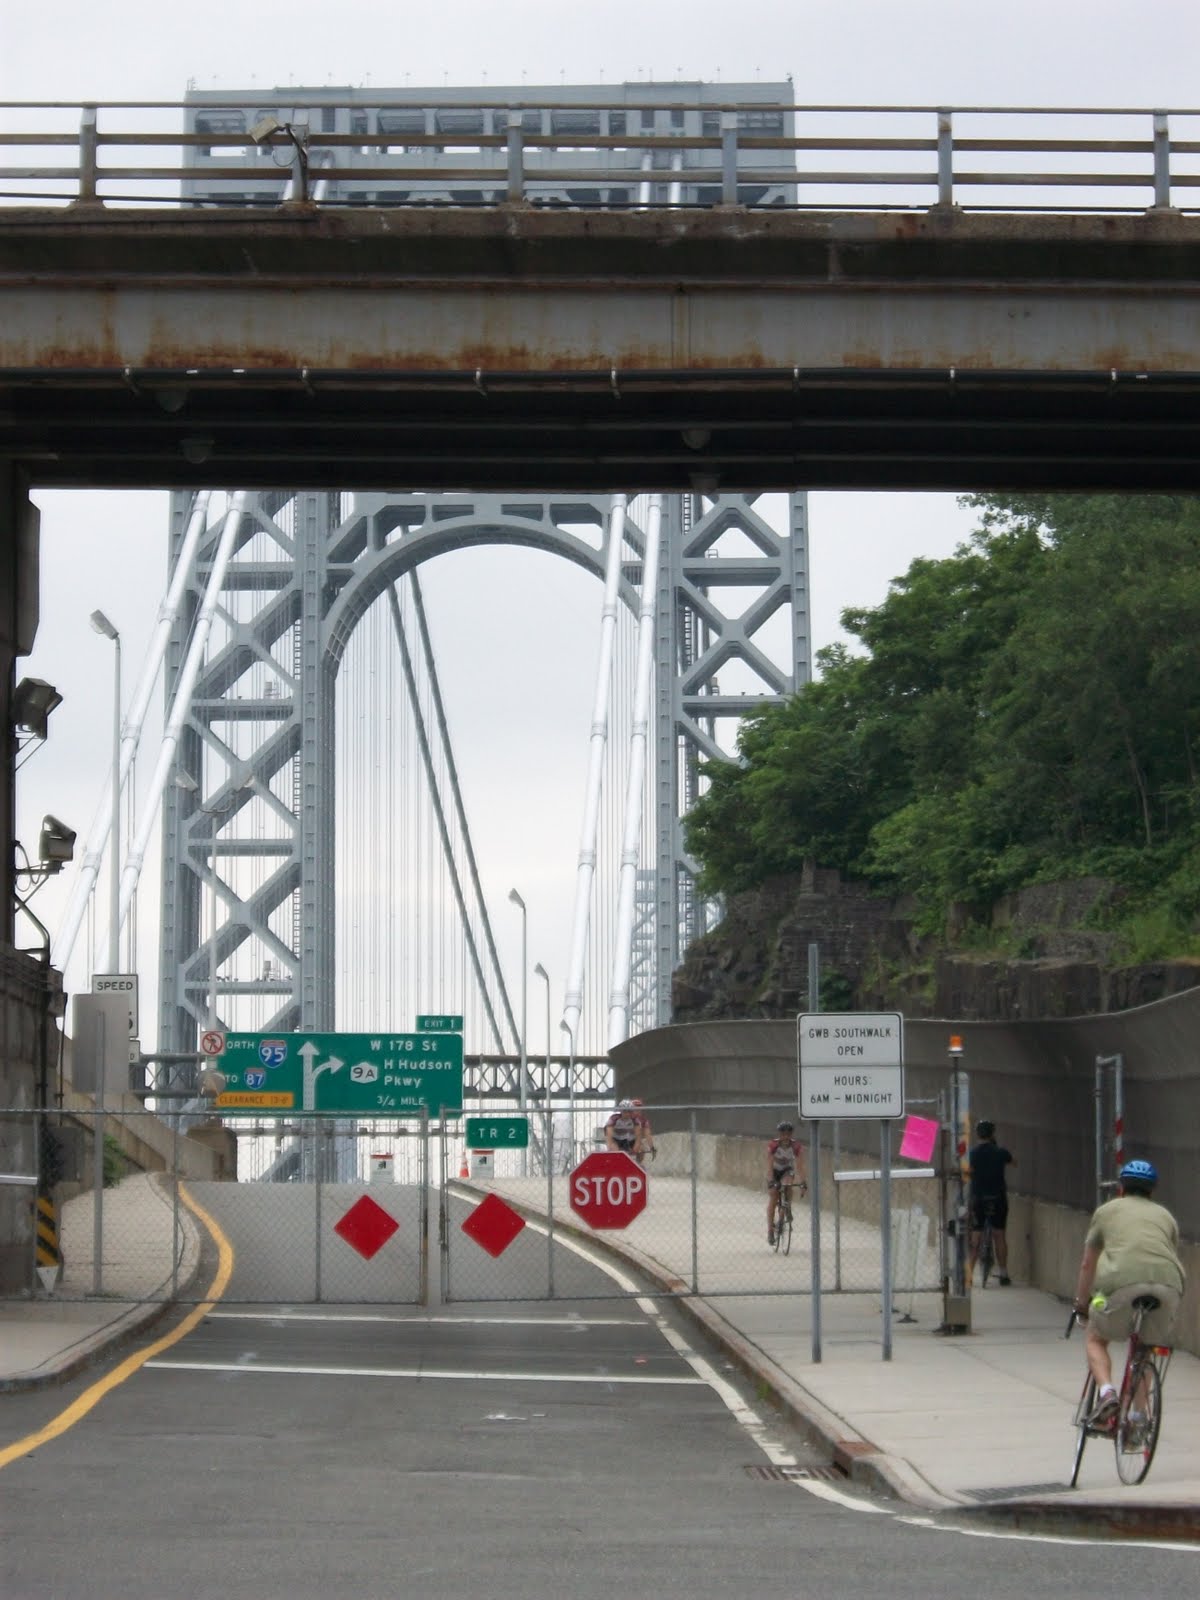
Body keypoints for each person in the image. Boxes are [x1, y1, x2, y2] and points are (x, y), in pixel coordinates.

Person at [1072, 1158, 1185, 1428]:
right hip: (1168, 1285)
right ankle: (1137, 1419)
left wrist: (1081, 1303)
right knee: (1145, 1349)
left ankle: (1107, 1394)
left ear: (1121, 1187)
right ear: (1152, 1191)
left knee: (1095, 1339)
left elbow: (1088, 1263)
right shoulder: (1165, 1216)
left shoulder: (1107, 1211)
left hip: (1121, 1283)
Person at [967, 1119, 1016, 1286]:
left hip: (978, 1199)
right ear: (992, 1134)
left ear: (977, 1134)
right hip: (997, 1198)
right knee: (999, 1234)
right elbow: (1013, 1163)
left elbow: (967, 1171)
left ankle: (969, 1274)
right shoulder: (1000, 1152)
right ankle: (1003, 1273)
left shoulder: (972, 1154)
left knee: (975, 1236)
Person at [766, 1121, 807, 1245]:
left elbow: (800, 1166)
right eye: (783, 1134)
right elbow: (769, 1165)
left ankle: (784, 1213)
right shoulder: (773, 1145)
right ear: (780, 1134)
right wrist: (771, 1181)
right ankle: (770, 1230)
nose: (786, 1137)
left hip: (787, 1171)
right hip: (775, 1171)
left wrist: (803, 1182)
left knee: (788, 1185)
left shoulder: (796, 1146)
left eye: (788, 1134)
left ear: (791, 1134)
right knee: (773, 1196)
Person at [631, 1098, 657, 1163]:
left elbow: (647, 1134)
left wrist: (652, 1147)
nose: (638, 1110)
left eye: (639, 1108)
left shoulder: (643, 1120)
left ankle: (637, 1165)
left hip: (635, 1140)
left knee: (641, 1149)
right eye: (635, 1108)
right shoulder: (627, 1118)